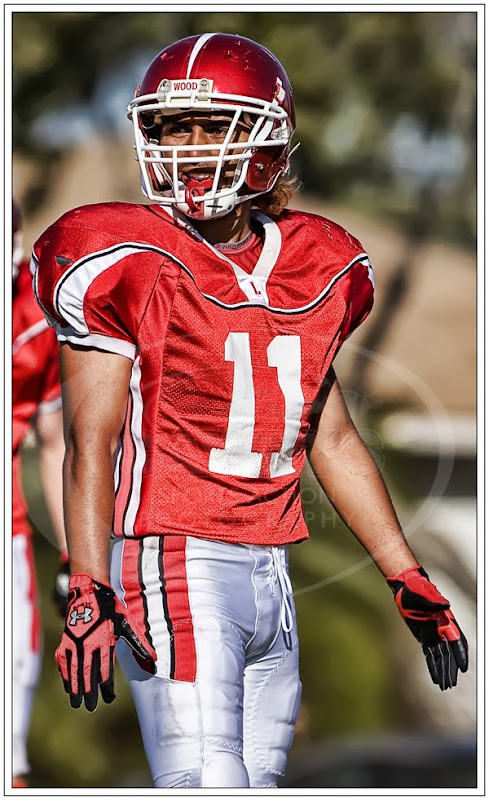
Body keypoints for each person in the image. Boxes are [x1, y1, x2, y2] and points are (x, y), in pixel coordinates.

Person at [31, 33, 468, 789]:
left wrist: (406, 575)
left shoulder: (319, 260)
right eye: (172, 128)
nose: (189, 147)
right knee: (208, 785)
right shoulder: (115, 254)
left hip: (269, 568)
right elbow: (88, 441)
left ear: (269, 135)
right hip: (172, 557)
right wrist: (89, 585)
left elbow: (327, 434)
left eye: (212, 125)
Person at [12, 201, 68, 788]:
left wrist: (77, 553)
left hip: (11, 528)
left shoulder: (36, 315)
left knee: (10, 752)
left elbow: (54, 443)